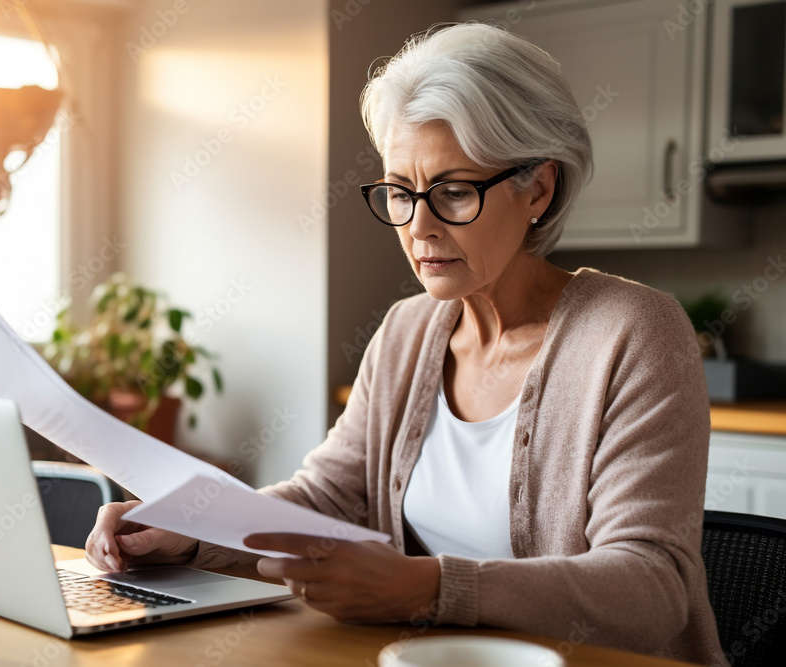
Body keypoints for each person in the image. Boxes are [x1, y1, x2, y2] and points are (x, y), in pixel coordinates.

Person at [86, 23, 727, 666]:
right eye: (399, 191)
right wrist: (192, 527)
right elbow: (326, 500)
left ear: (539, 188)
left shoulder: (634, 333)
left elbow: (651, 587)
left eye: (452, 192)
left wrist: (427, 588)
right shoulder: (406, 331)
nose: (418, 227)